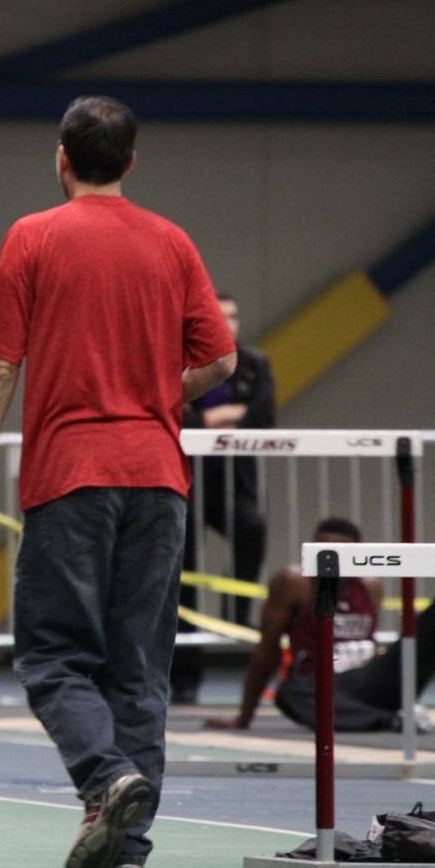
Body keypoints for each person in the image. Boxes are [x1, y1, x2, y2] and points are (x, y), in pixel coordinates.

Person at [0, 97, 236, 868]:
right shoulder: (172, 242)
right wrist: (157, 394)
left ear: (61, 159)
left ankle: (103, 777)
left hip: (71, 476)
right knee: (140, 670)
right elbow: (221, 361)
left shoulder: (33, 237)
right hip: (157, 477)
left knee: (50, 655)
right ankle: (128, 852)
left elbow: (0, 363)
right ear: (132, 163)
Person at [205, 517, 435, 734]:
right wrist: (244, 717)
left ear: (358, 554)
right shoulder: (293, 584)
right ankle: (390, 719)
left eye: (339, 554)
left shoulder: (371, 585)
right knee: (289, 693)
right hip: (318, 683)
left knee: (427, 622)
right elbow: (267, 649)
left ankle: (386, 712)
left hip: (370, 679)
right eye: (323, 552)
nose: (330, 562)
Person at [171, 291, 277, 703]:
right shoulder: (179, 359)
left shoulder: (254, 363)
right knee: (185, 572)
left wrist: (209, 422)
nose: (227, 322)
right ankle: (184, 676)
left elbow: (263, 417)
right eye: (219, 315)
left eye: (233, 315)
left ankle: (235, 612)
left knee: (253, 528)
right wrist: (221, 418)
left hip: (234, 481)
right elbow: (175, 412)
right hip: (187, 479)